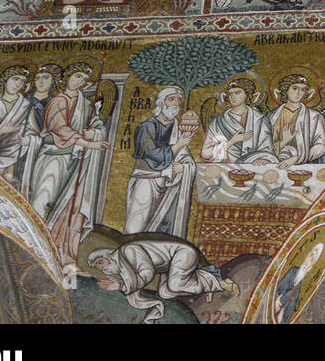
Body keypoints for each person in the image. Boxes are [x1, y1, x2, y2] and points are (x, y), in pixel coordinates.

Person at [27, 60, 108, 270]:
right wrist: (88, 142)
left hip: (76, 160)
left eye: (83, 78)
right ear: (67, 77)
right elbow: (60, 128)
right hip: (54, 158)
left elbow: (97, 124)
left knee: (73, 208)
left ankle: (65, 257)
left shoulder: (87, 104)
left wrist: (95, 131)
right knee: (44, 200)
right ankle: (32, 251)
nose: (79, 80)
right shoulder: (58, 100)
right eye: (76, 75)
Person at [88, 239, 237, 323]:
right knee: (165, 293)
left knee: (175, 284)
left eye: (101, 262)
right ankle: (205, 280)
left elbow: (147, 272)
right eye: (98, 267)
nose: (103, 269)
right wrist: (122, 282)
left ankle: (218, 281)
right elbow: (134, 277)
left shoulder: (128, 251)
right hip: (169, 265)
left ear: (108, 254)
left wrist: (121, 284)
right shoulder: (122, 261)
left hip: (182, 254)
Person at [125, 87, 197, 237]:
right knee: (137, 223)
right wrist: (179, 144)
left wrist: (184, 167)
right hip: (146, 179)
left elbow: (185, 156)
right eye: (172, 99)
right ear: (161, 103)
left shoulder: (177, 128)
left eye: (178, 100)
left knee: (164, 226)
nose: (176, 104)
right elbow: (152, 154)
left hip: (169, 183)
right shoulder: (147, 127)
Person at [201, 77, 276, 165]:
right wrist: (232, 141)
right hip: (226, 168)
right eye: (230, 94)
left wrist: (265, 159)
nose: (233, 97)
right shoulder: (218, 122)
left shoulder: (260, 120)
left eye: (237, 92)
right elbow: (206, 153)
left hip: (253, 167)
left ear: (247, 94)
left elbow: (267, 149)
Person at [268, 74, 325, 168]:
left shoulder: (314, 116)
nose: (299, 93)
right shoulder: (271, 116)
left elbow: (321, 146)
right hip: (274, 164)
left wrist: (298, 158)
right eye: (295, 88)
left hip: (304, 166)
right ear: (286, 90)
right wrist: (282, 142)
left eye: (303, 90)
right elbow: (263, 145)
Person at [272, 241, 325, 323]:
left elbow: (292, 306)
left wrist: (282, 316)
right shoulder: (293, 271)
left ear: (312, 266)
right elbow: (278, 287)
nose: (309, 258)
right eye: (310, 254)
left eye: (313, 258)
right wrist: (276, 300)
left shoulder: (301, 286)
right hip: (274, 304)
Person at [26, 62, 63, 131]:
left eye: (46, 78)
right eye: (37, 78)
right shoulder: (25, 100)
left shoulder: (55, 101)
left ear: (53, 80)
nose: (41, 81)